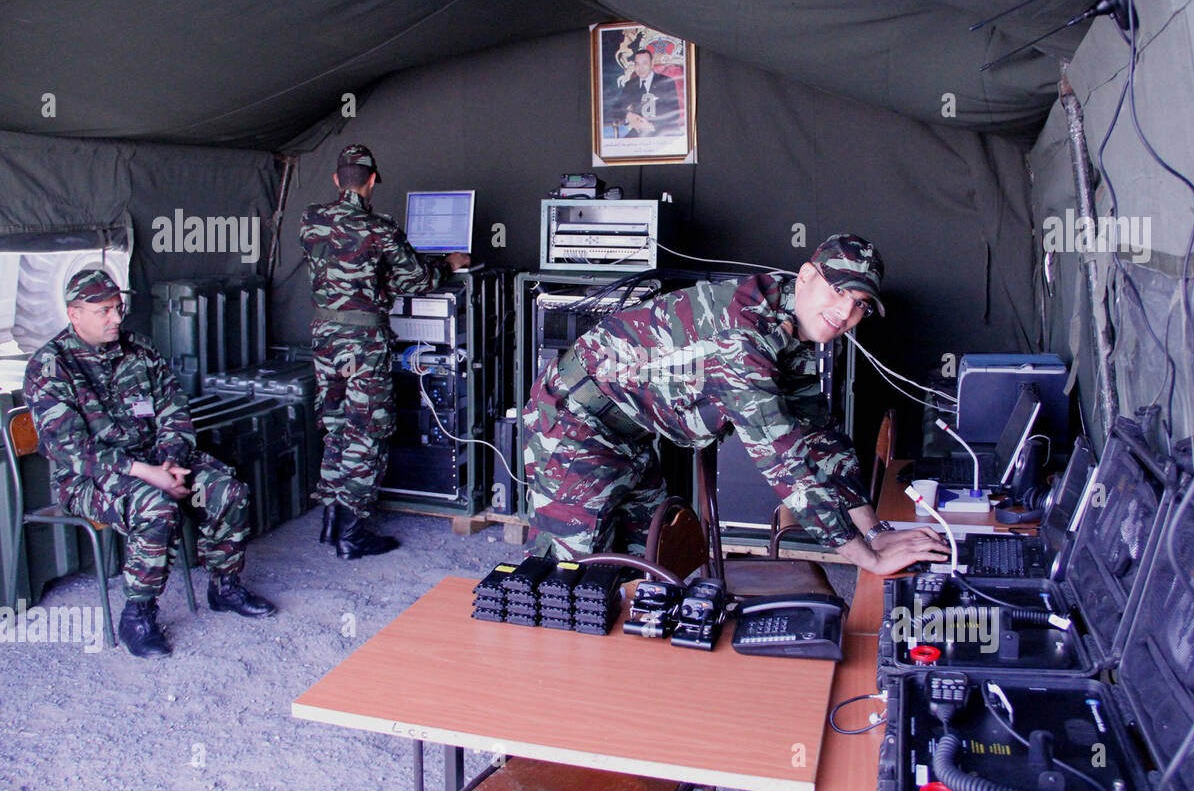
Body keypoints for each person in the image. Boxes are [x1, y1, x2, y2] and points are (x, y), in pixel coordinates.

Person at [522, 234, 949, 574]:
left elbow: (818, 436)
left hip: (628, 432)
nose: (845, 312)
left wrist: (875, 531)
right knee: (571, 578)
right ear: (805, 276)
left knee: (646, 563)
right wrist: (869, 559)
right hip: (573, 425)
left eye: (859, 305)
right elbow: (786, 464)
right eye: (839, 290)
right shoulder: (743, 343)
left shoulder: (784, 318)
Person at [23, 269, 276, 659]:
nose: (115, 318)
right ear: (75, 315)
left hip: (157, 461)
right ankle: (137, 616)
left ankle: (224, 587)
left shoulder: (139, 351)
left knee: (229, 491)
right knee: (156, 507)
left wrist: (172, 463)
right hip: (90, 478)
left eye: (118, 308)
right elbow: (69, 448)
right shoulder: (50, 367)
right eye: (104, 311)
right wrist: (147, 474)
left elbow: (175, 412)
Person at [301, 144, 470, 559]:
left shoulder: (310, 220)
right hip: (363, 344)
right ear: (372, 180)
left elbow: (340, 262)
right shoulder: (381, 229)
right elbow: (416, 281)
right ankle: (352, 534)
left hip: (325, 339)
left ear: (338, 178)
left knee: (336, 426)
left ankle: (330, 519)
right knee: (367, 433)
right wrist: (448, 264)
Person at [616, 49, 682, 137]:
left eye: (645, 63)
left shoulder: (666, 81)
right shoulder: (631, 84)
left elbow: (674, 112)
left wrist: (652, 126)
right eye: (637, 64)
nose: (640, 68)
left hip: (664, 130)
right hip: (639, 131)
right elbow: (616, 107)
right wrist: (628, 115)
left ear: (652, 64)